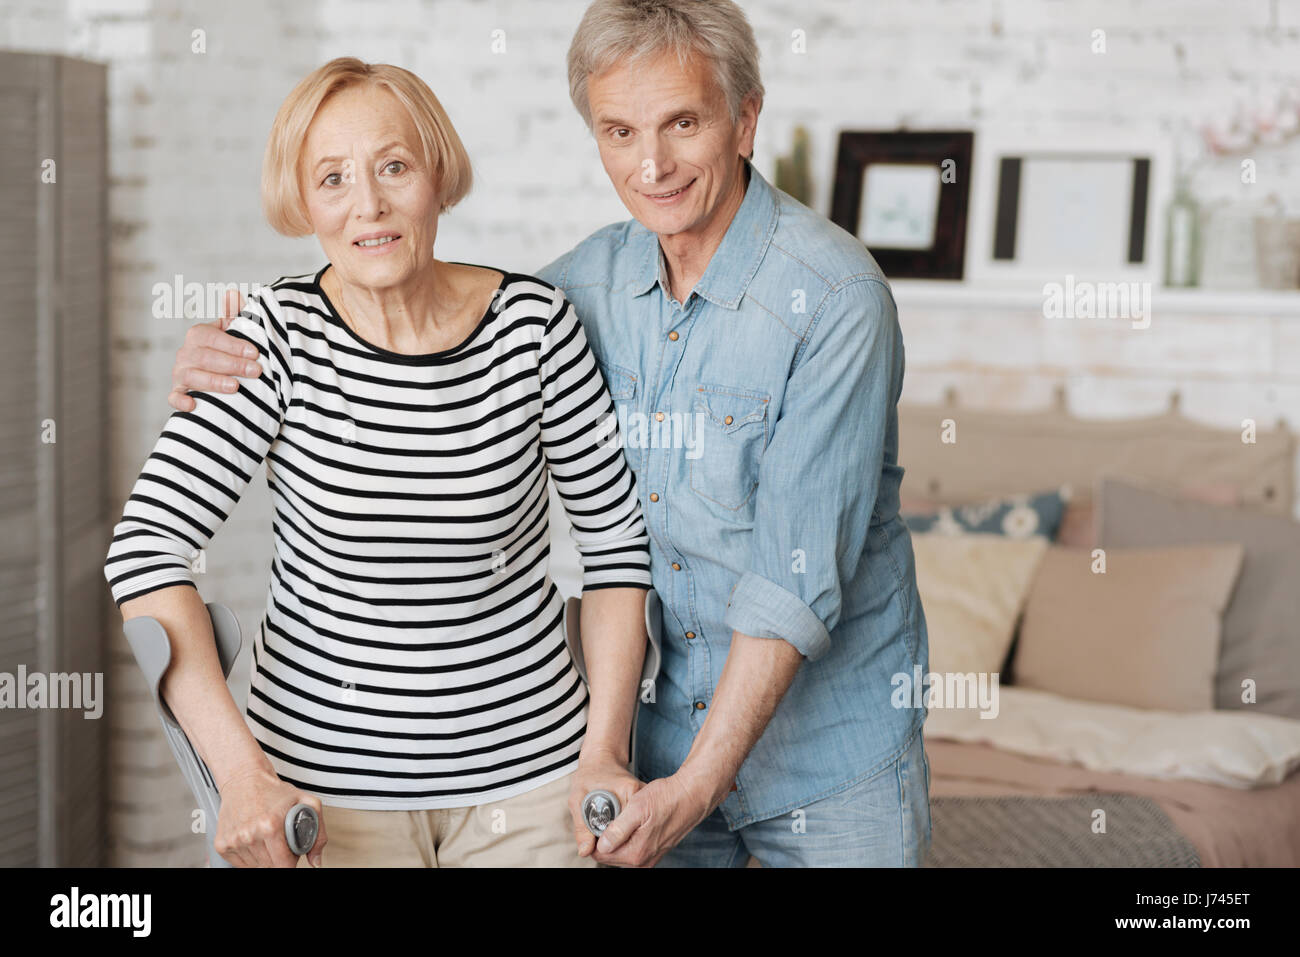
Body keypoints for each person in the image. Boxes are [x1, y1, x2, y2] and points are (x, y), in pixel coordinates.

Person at [166, 0, 932, 868]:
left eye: (683, 122)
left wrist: (686, 782)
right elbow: (434, 298)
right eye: (619, 130)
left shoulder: (832, 301)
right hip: (653, 746)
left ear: (746, 119)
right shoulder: (579, 291)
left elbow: (789, 583)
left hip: (822, 753)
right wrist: (219, 359)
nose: (653, 163)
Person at [106, 56, 654, 868]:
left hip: (535, 782)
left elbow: (614, 551)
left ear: (436, 172)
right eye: (332, 179)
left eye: (393, 166)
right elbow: (145, 553)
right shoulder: (277, 336)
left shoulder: (536, 328)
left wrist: (604, 752)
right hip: (319, 794)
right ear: (304, 204)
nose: (369, 204)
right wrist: (243, 775)